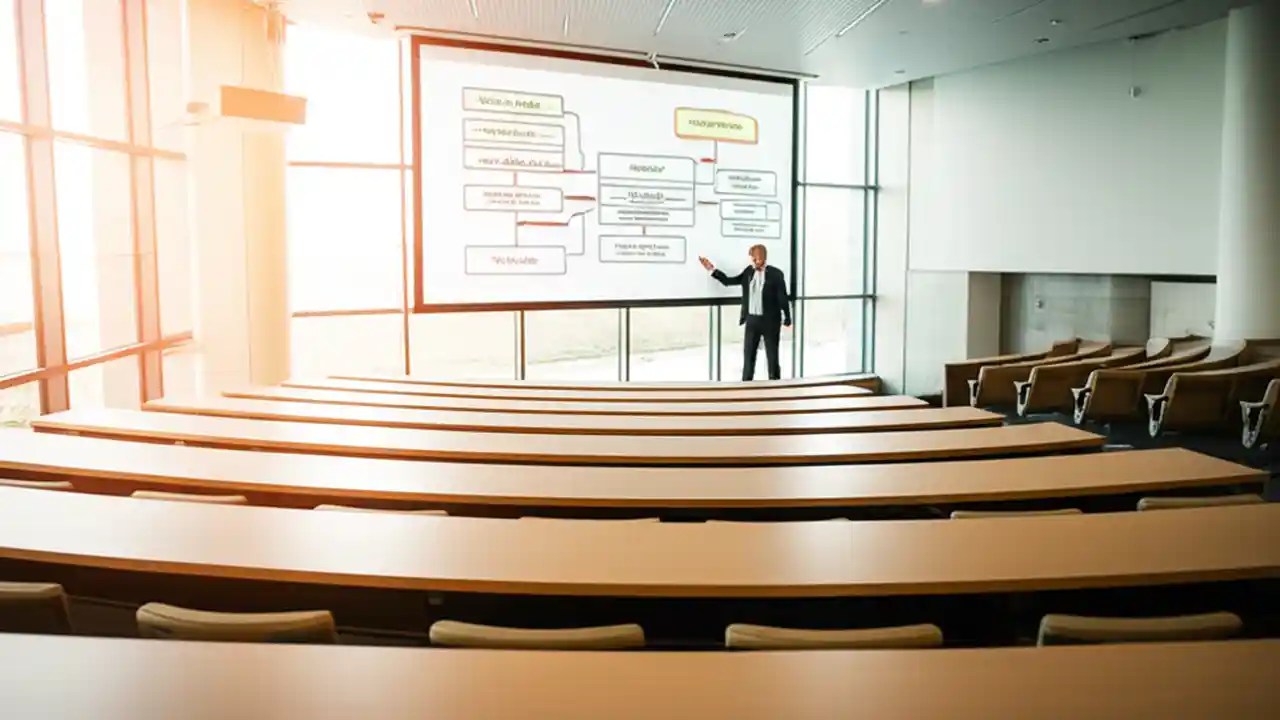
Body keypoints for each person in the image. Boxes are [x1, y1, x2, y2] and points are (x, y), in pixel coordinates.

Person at [699, 244, 791, 381]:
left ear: (762, 257)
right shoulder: (749, 272)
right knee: (748, 357)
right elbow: (729, 281)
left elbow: (782, 297)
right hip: (752, 321)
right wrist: (712, 270)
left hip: (770, 321)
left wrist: (788, 317)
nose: (753, 261)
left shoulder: (776, 274)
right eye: (752, 258)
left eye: (755, 258)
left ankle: (775, 386)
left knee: (772, 357)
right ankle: (746, 385)